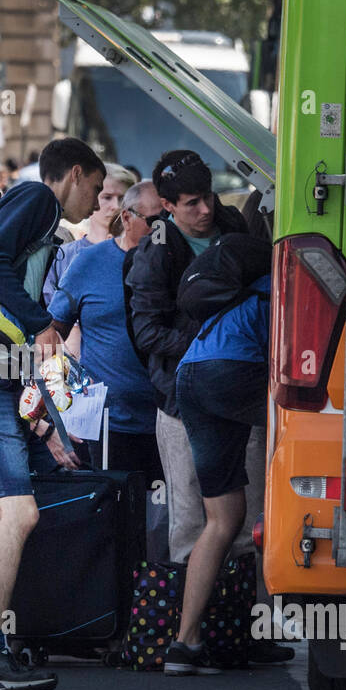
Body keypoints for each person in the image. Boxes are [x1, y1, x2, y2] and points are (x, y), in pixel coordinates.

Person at [0, 137, 105, 690]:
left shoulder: (37, 212)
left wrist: (42, 420)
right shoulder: (37, 197)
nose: (97, 200)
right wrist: (41, 321)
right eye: (98, 189)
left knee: (1, 517)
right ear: (75, 174)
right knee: (19, 515)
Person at [167, 238, 292, 673]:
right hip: (233, 371)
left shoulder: (237, 294)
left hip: (191, 377)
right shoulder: (284, 285)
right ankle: (264, 621)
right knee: (313, 434)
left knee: (223, 517)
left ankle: (185, 643)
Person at [125, 150, 249, 569]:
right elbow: (146, 332)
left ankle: (250, 626)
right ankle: (186, 624)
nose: (206, 209)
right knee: (189, 525)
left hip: (240, 397)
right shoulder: (156, 251)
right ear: (166, 206)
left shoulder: (232, 224)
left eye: (209, 197)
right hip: (180, 402)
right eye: (192, 203)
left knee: (249, 524)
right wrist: (208, 344)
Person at [46, 180, 162, 481]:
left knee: (167, 520)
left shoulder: (177, 262)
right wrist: (62, 409)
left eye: (169, 219)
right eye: (155, 222)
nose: (164, 229)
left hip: (170, 420)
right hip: (110, 424)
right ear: (127, 218)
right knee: (119, 519)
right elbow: (49, 334)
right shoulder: (89, 262)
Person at [42, 163, 134, 308]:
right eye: (107, 197)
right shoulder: (65, 256)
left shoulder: (141, 253)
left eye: (122, 198)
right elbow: (52, 309)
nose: (116, 206)